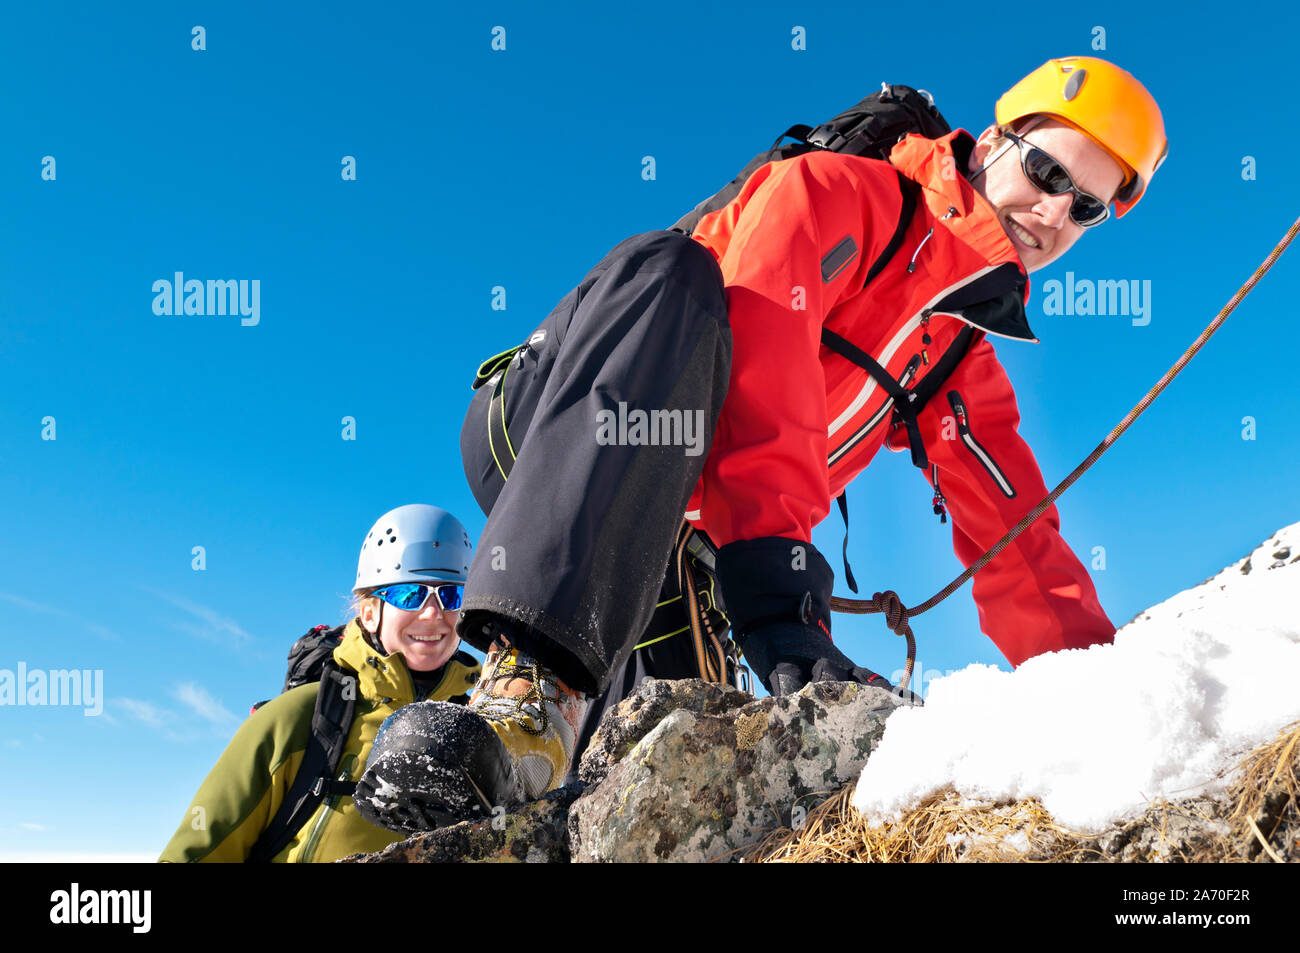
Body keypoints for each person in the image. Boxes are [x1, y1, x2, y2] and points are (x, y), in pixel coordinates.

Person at [354, 56, 1168, 828]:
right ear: (992, 144)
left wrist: (1099, 699)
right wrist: (779, 591)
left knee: (669, 774)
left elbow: (1019, 534)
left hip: (684, 544)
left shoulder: (954, 356)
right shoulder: (839, 193)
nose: (1055, 211)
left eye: (1087, 206)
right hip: (545, 434)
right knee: (669, 268)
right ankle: (529, 687)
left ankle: (523, 788)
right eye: (1048, 172)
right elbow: (766, 346)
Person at [159, 504, 481, 862]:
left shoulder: (482, 731)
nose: (433, 613)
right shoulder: (299, 719)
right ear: (370, 611)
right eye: (410, 594)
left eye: (451, 595)